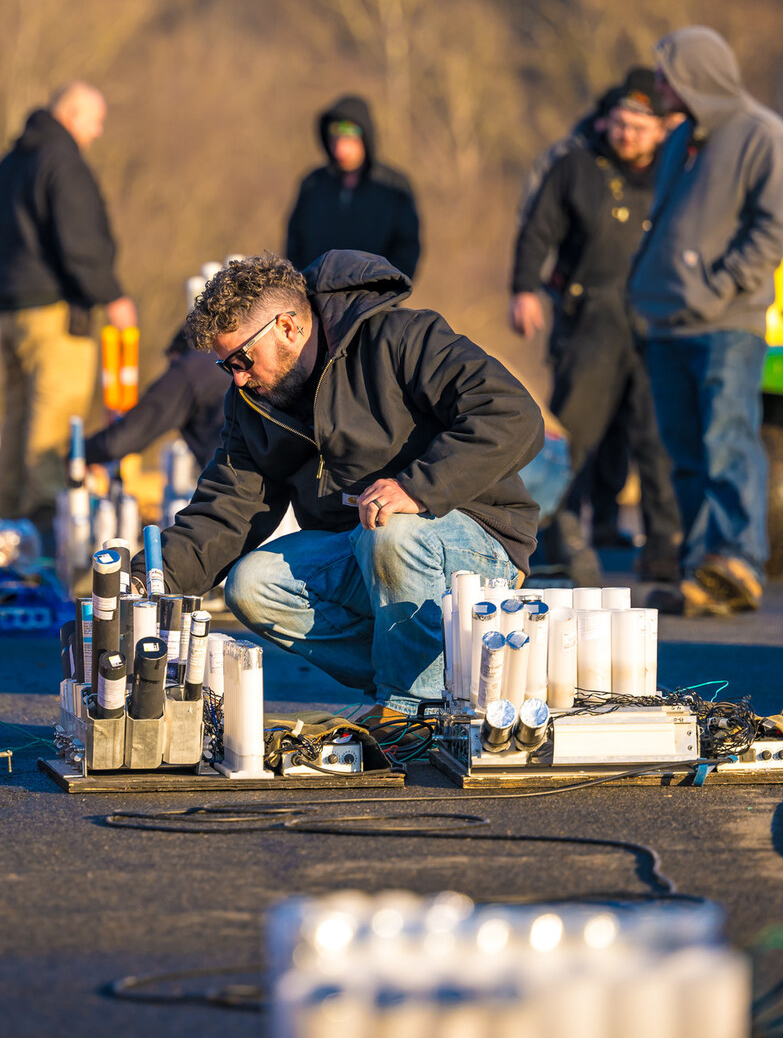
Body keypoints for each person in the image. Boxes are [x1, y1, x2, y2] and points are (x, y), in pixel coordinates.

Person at [141, 252, 542, 702]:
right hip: (368, 549)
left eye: (242, 359)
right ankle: (418, 686)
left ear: (288, 328)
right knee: (250, 584)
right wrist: (142, 580)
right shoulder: (251, 405)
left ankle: (412, 710)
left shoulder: (401, 337)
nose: (237, 379)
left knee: (393, 531)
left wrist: (417, 487)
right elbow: (224, 512)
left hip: (477, 541)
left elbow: (512, 414)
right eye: (227, 366)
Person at [628, 26, 783, 615]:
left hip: (727, 322)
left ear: (696, 75)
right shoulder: (682, 140)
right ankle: (701, 573)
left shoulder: (763, 134)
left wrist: (718, 286)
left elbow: (777, 230)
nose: (658, 85)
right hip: (667, 324)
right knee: (684, 453)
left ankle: (740, 560)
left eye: (666, 74)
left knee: (726, 439)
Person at [509, 72, 684, 594]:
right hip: (589, 319)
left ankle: (665, 552)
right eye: (620, 122)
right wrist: (523, 289)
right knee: (570, 438)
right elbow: (537, 228)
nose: (626, 133)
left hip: (656, 319)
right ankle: (548, 541)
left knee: (657, 441)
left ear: (660, 130)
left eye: (639, 125)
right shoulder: (576, 165)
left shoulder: (676, 170)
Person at [0, 82, 136, 536]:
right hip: (54, 313)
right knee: (51, 428)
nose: (98, 131)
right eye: (95, 120)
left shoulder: (9, 163)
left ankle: (2, 534)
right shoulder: (63, 161)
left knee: (16, 421)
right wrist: (111, 295)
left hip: (11, 311)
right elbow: (80, 242)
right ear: (71, 114)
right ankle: (44, 544)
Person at [284, 95, 422, 279]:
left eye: (349, 138)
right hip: (315, 301)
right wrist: (304, 285)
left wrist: (384, 289)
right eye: (335, 138)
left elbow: (407, 249)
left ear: (365, 137)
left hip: (377, 304)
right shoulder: (313, 184)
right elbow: (294, 244)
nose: (340, 148)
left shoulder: (394, 186)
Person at [79, 310, 232, 471]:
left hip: (232, 477)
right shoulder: (229, 364)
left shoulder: (189, 370)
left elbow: (125, 437)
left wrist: (80, 453)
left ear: (176, 355)